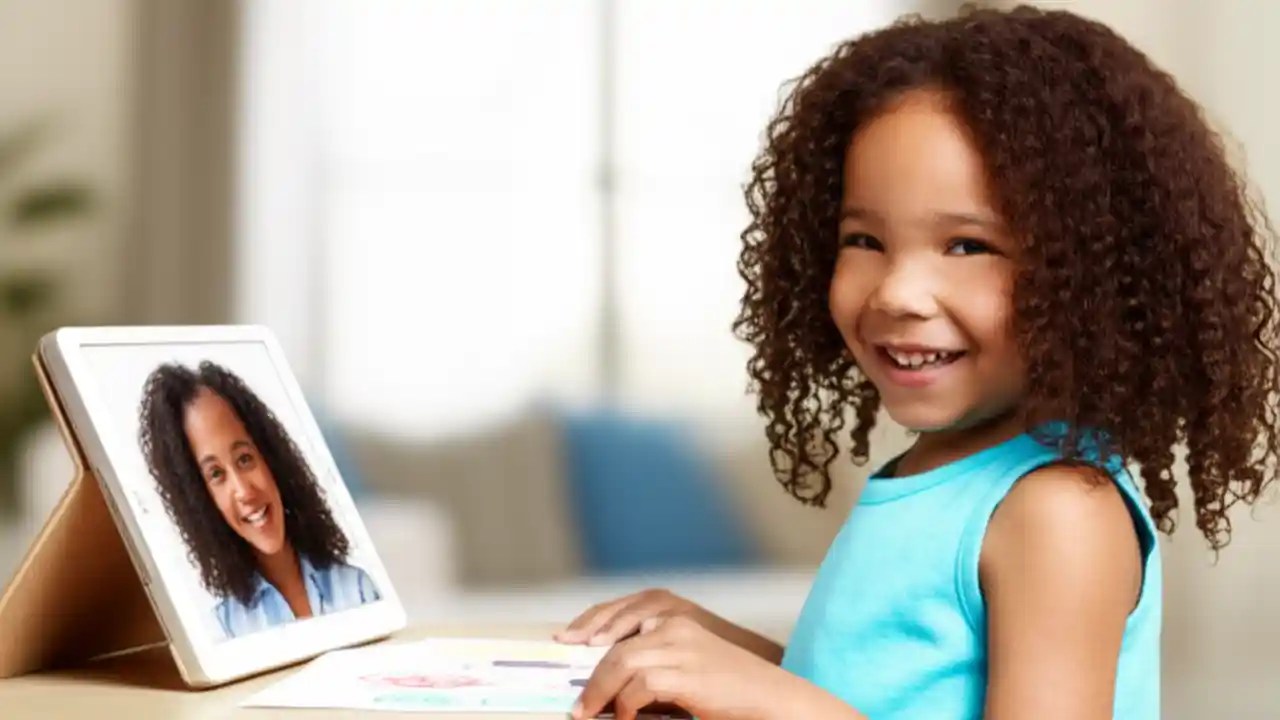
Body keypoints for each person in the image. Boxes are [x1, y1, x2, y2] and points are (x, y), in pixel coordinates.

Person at [557, 6, 1280, 720]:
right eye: (864, 240)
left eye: (967, 246)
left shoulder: (1058, 512)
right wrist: (724, 656)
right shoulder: (927, 474)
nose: (898, 293)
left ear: (1090, 278)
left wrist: (772, 701)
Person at [138, 360, 380, 640]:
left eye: (244, 459)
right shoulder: (224, 631)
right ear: (201, 501)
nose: (243, 490)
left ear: (271, 459)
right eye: (216, 474)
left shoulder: (358, 590)